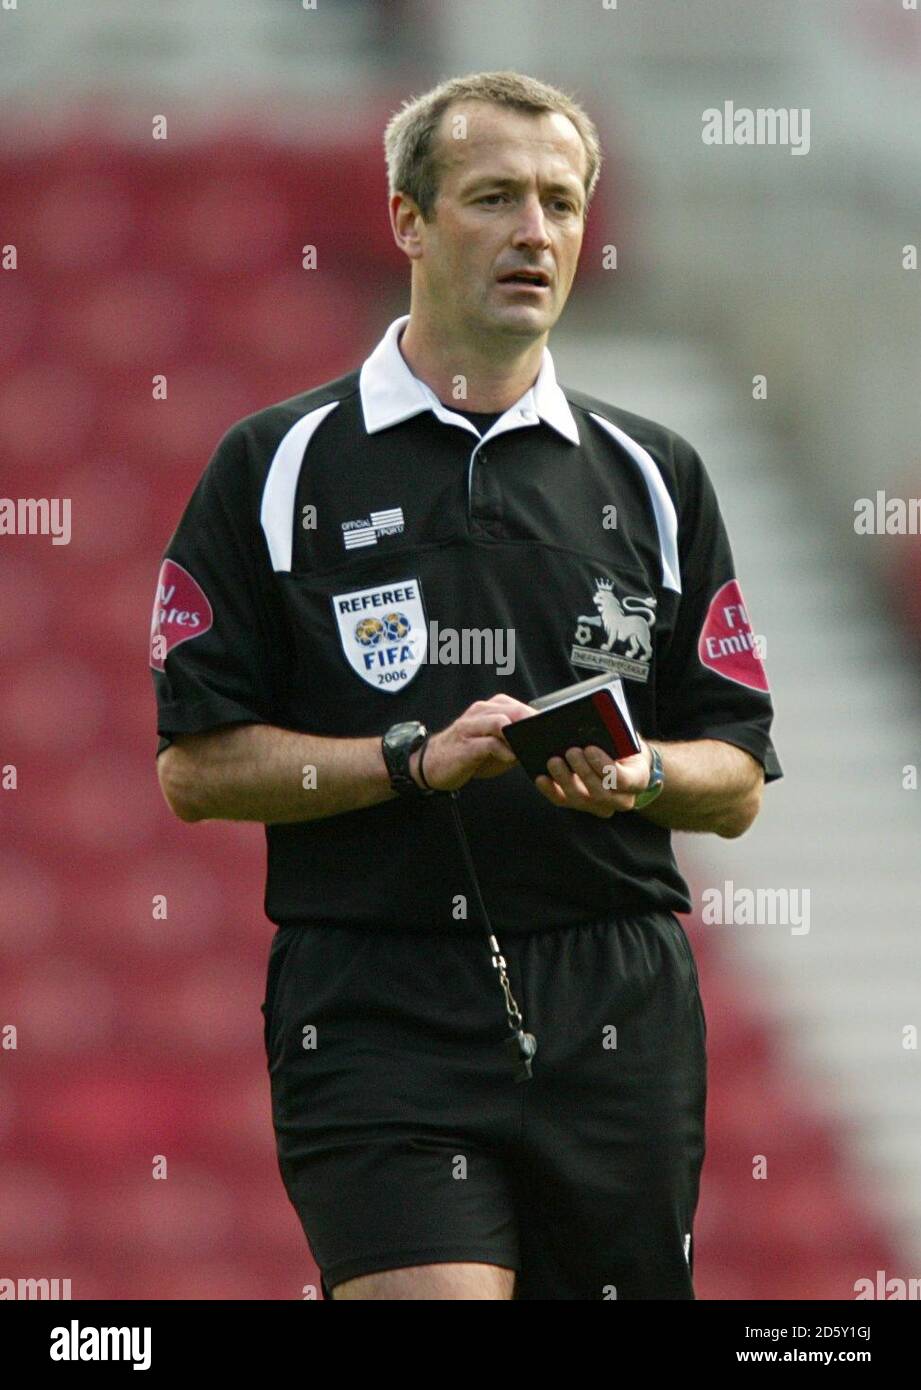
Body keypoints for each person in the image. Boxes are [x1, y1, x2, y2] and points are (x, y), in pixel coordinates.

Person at [151, 70, 782, 1301]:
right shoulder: (275, 466)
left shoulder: (656, 477)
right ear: (407, 219)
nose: (533, 233)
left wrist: (641, 773)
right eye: (493, 197)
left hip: (616, 995)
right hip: (375, 998)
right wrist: (409, 759)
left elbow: (739, 774)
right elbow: (193, 766)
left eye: (559, 201)